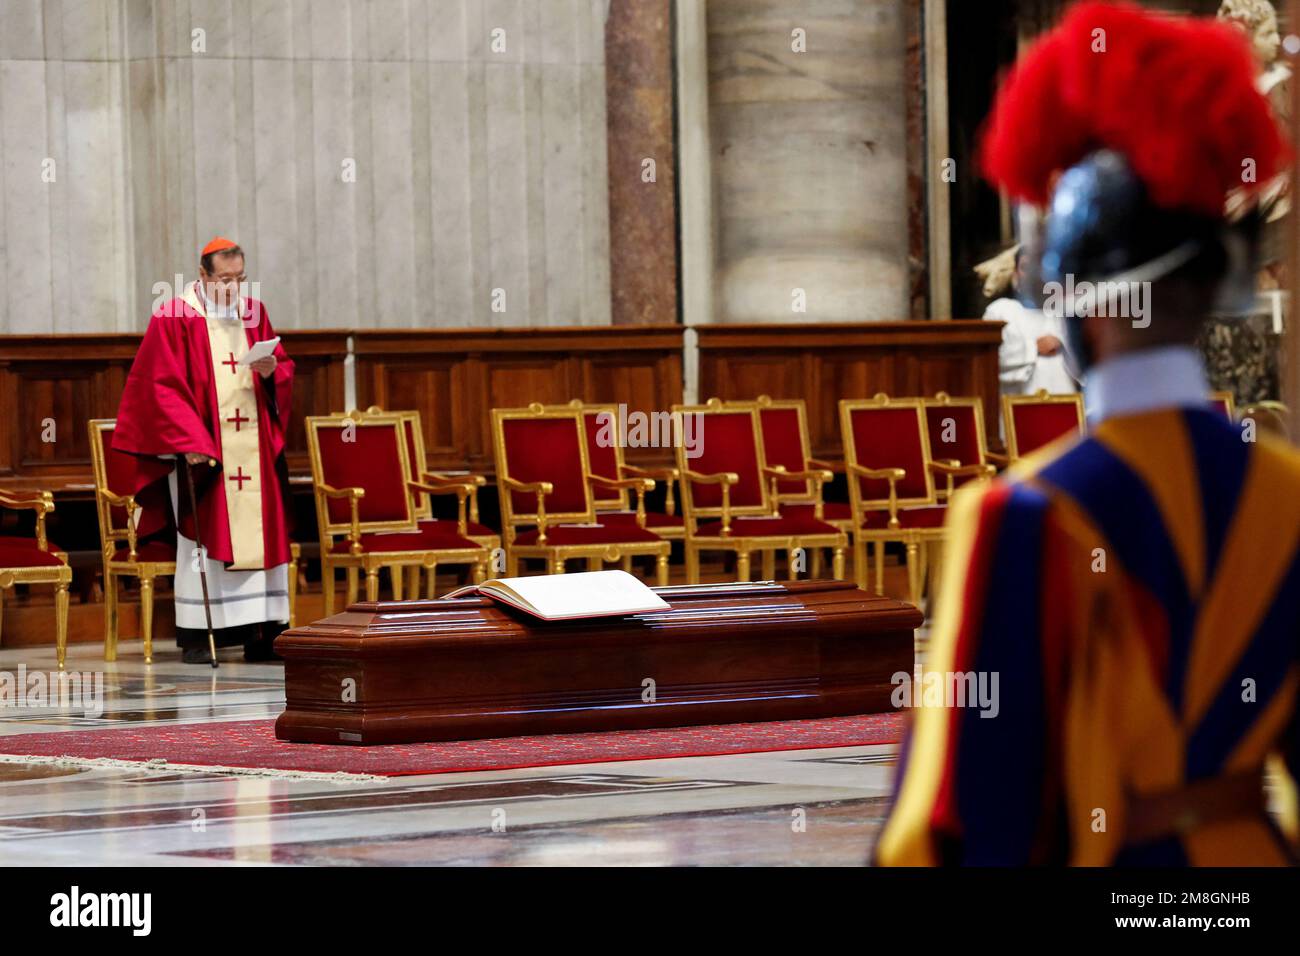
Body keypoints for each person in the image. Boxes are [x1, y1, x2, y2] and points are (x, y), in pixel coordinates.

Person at [876, 2, 1299, 865]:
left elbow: (965, 813)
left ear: (1072, 307)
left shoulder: (1023, 516)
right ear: (1218, 282)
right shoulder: (1289, 499)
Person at [113, 238, 295, 663]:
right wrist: (190, 441)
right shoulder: (175, 316)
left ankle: (263, 633)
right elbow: (159, 386)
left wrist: (273, 371)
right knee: (204, 539)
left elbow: (282, 366)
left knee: (262, 533)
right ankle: (201, 633)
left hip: (253, 447)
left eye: (240, 279)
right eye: (224, 280)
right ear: (203, 274)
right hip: (203, 454)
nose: (233, 289)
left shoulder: (254, 313)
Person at [983, 248, 1077, 398]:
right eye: (1026, 267)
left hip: (1065, 402)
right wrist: (1033, 349)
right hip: (1018, 406)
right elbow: (987, 361)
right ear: (1015, 274)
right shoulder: (1000, 311)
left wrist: (1062, 344)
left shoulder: (1064, 312)